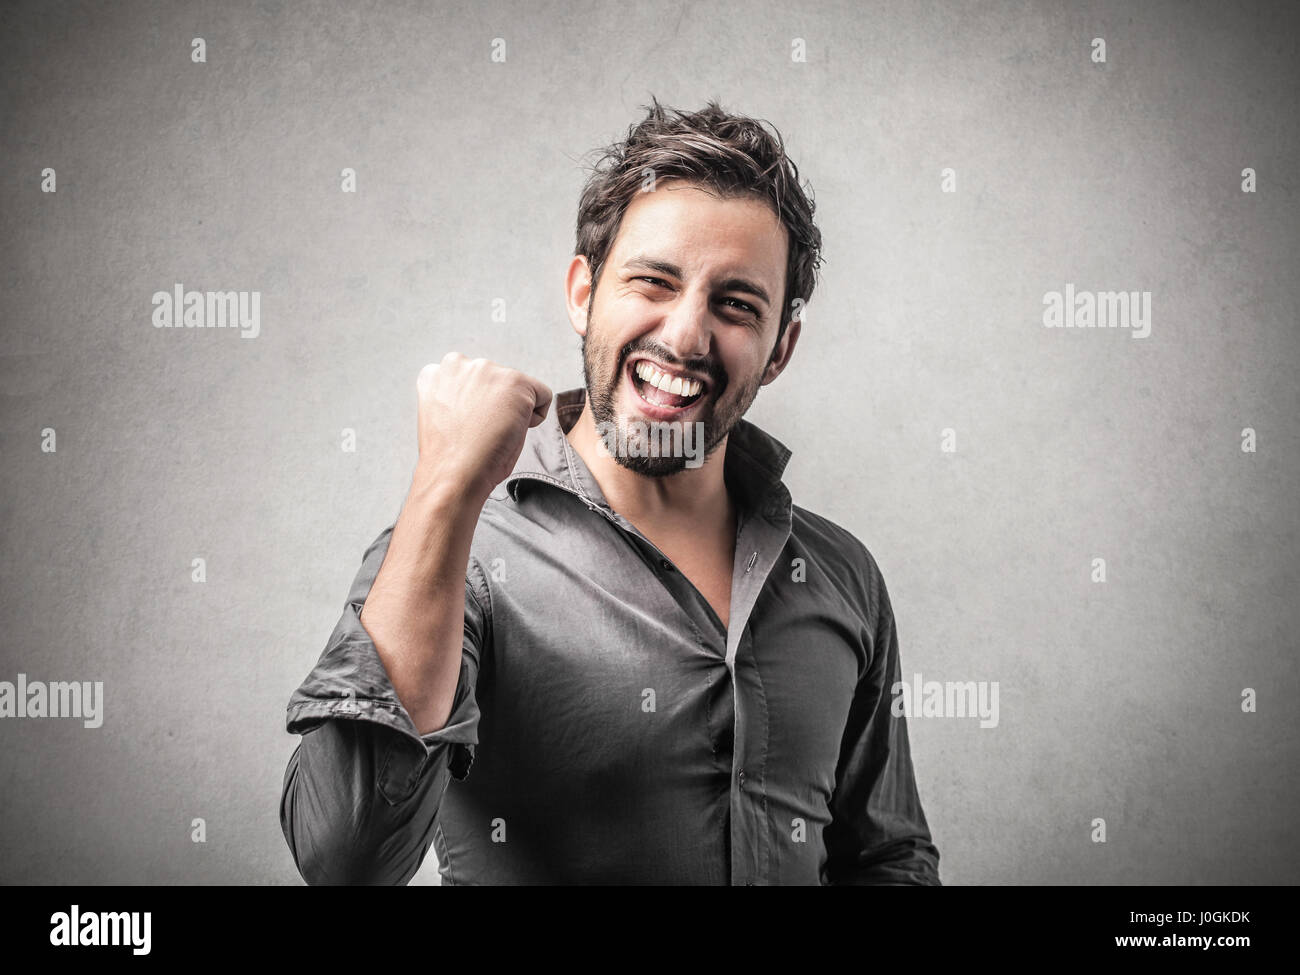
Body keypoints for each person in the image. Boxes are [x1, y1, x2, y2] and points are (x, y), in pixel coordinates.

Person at [279, 98, 941, 885]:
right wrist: (444, 483)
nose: (686, 336)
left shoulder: (842, 575)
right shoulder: (461, 553)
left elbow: (888, 859)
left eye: (736, 304)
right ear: (582, 293)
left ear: (780, 348)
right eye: (653, 281)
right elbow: (345, 858)